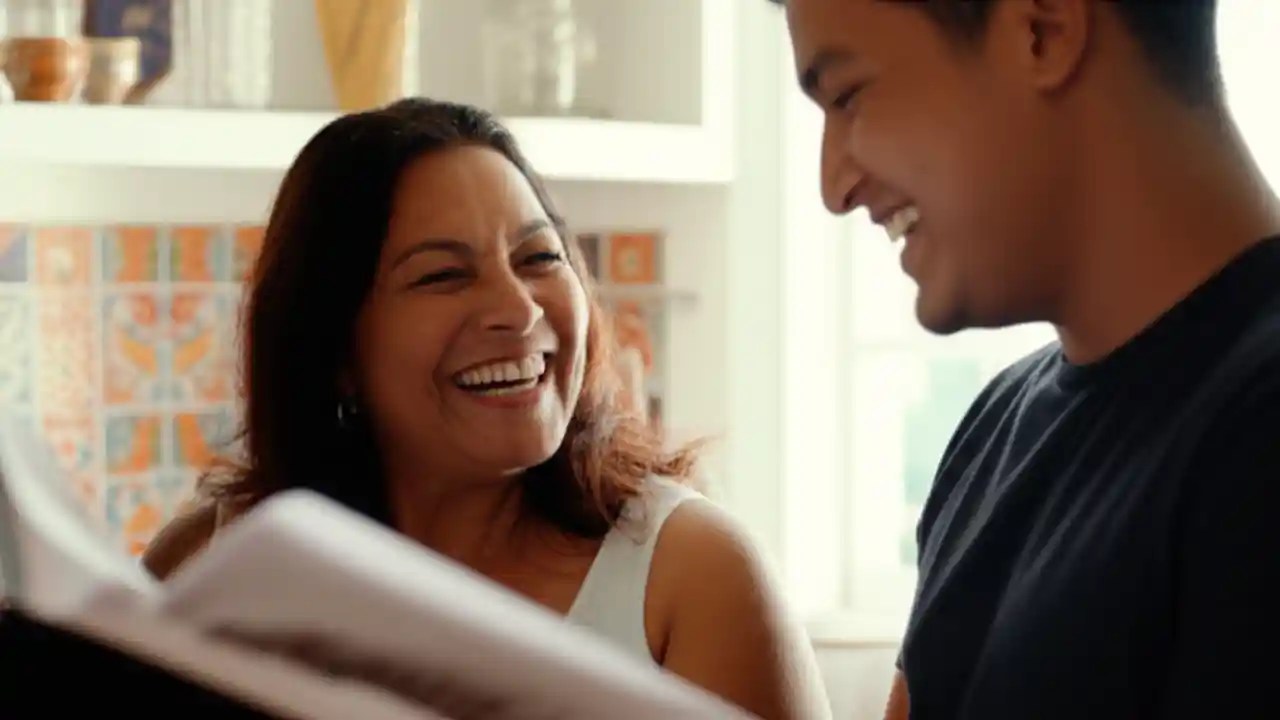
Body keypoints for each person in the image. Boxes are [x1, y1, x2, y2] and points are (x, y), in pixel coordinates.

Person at [141, 98, 830, 720]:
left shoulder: (696, 579)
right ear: (335, 350)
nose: (518, 307)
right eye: (443, 275)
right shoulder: (205, 565)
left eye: (539, 257)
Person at [773, 0, 1280, 718]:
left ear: (1044, 30)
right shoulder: (997, 427)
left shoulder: (1258, 439)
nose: (834, 187)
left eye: (850, 93)